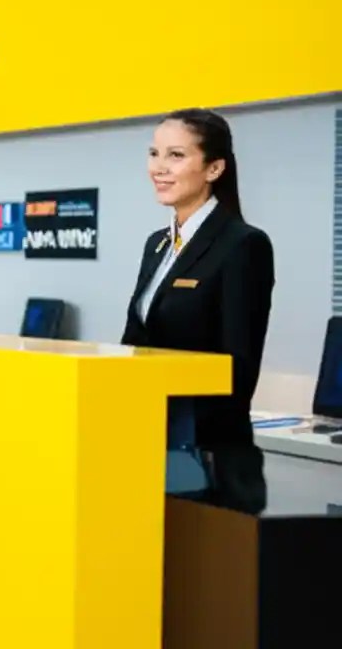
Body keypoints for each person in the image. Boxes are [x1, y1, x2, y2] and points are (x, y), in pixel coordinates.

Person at [121, 108, 274, 508]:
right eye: (154, 154)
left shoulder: (243, 245)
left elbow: (237, 369)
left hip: (206, 458)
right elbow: (135, 344)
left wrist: (175, 425)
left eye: (176, 155)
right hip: (151, 442)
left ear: (214, 168)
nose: (159, 168)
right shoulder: (157, 245)